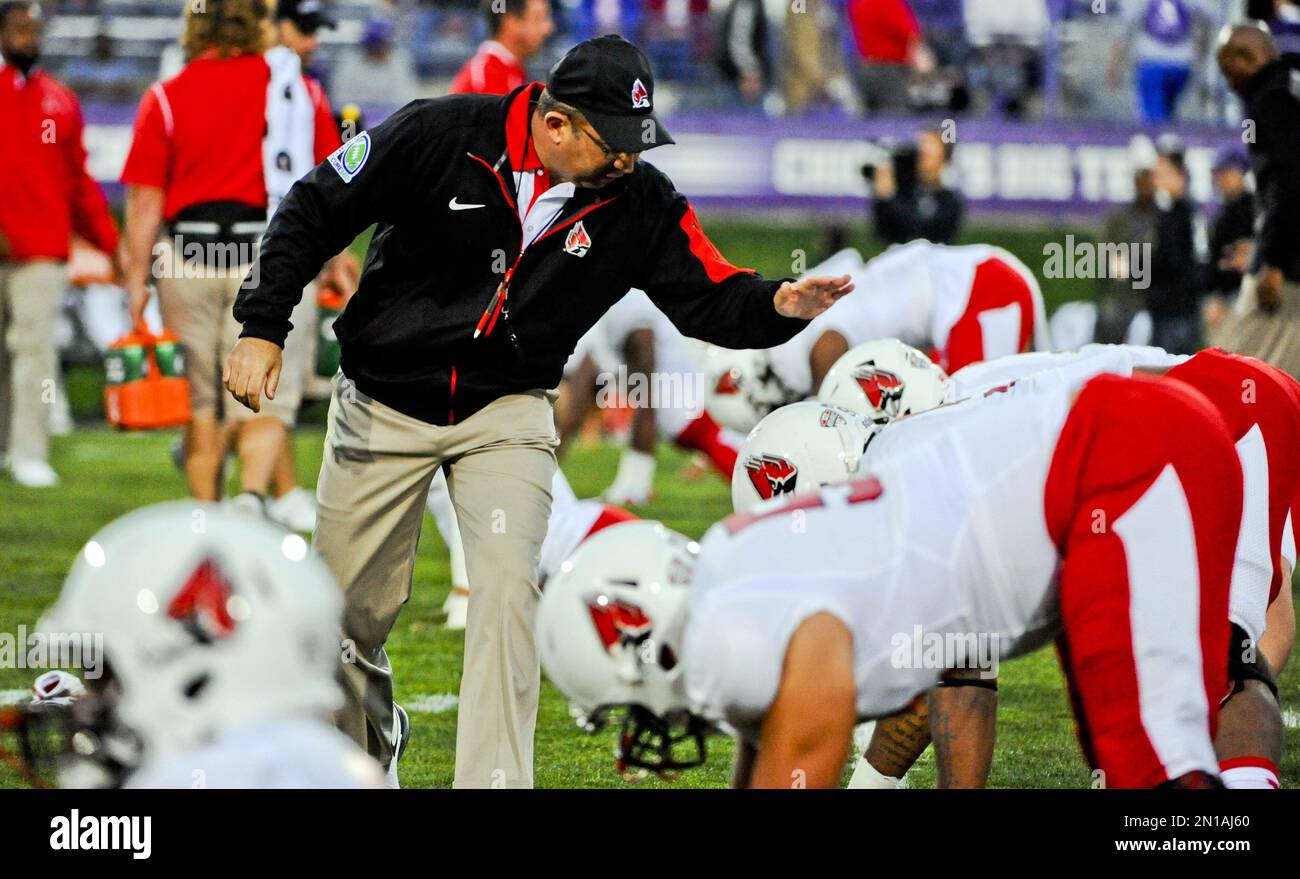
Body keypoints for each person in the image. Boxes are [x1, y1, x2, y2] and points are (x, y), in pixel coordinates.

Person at [223, 34, 852, 788]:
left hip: (508, 411)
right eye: (615, 142)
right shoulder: (441, 132)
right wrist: (263, 323)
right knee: (343, 617)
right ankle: (366, 750)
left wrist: (777, 305)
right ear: (557, 125)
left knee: (506, 596)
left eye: (637, 142)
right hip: (384, 399)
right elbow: (314, 207)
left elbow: (706, 291)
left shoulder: (637, 200)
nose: (628, 159)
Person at [539, 371, 1242, 788]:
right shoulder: (733, 580)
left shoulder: (746, 620)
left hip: (1124, 456)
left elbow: (802, 752)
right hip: (1114, 453)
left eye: (630, 707)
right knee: (1131, 760)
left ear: (643, 635)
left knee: (1156, 772)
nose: (644, 729)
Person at [30, 501, 385, 789]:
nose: (90, 700)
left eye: (108, 678)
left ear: (192, 678)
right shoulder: (332, 763)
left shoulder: (193, 778)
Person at [119, 0, 292, 510]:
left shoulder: (166, 97)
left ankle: (207, 519)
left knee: (200, 406)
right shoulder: (284, 90)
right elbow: (315, 178)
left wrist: (134, 280)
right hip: (262, 253)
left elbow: (145, 199)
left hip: (185, 259)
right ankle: (253, 501)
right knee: (260, 392)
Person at [0, 1, 119, 488]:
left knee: (35, 354)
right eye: (19, 28)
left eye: (34, 29)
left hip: (41, 250)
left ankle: (28, 450)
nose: (29, 37)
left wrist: (109, 241)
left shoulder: (59, 101)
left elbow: (77, 182)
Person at [1215, 24, 1300, 379]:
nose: (1229, 83)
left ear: (1247, 58)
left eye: (1228, 70)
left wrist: (1274, 261)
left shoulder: (1270, 98)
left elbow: (1291, 179)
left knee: (1239, 374)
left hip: (1290, 268)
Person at [1108, 0, 1216, 122]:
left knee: (1152, 116)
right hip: (1182, 63)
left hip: (1151, 62)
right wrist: (1201, 55)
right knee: (1166, 112)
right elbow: (1207, 21)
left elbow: (1125, 30)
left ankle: (1160, 137)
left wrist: (1114, 64)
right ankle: (1167, 135)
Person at [1146, 149, 1202, 353]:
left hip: (1177, 311)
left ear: (1179, 176)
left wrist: (1134, 264)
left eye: (1162, 172)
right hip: (1169, 309)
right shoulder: (1169, 212)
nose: (1157, 179)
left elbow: (1172, 261)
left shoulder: (1183, 215)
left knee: (1171, 375)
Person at [870, 128, 964, 246]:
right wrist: (883, 199)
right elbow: (883, 234)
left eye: (930, 145)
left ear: (944, 155)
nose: (922, 150)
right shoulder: (903, 192)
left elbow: (927, 235)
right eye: (921, 145)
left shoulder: (950, 200)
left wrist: (889, 200)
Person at [449, 0, 554, 96]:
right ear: (512, 23)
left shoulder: (510, 71)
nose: (548, 28)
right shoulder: (486, 78)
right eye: (539, 18)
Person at [1203, 146, 1255, 339]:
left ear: (1240, 173)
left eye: (1226, 172)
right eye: (1219, 173)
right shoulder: (1224, 213)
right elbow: (1215, 261)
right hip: (1226, 299)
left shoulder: (1253, 210)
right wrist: (1215, 296)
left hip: (1246, 297)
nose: (1221, 179)